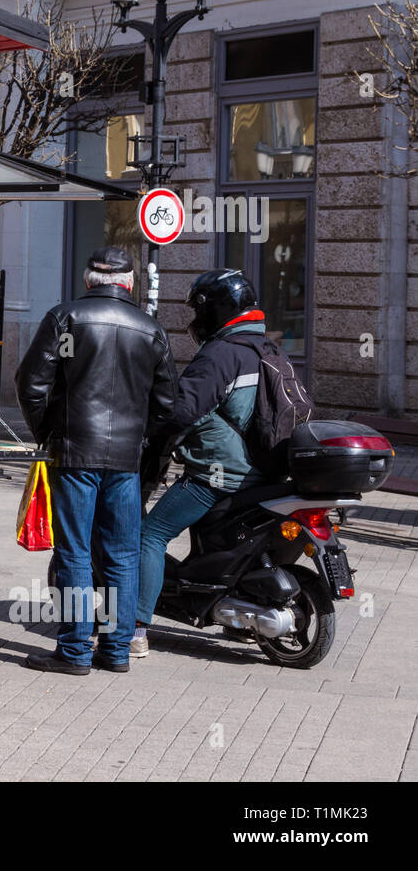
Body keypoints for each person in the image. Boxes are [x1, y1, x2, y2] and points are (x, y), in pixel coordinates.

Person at [15, 247, 176, 673]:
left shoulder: (65, 318)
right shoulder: (150, 328)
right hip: (125, 457)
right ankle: (117, 651)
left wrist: (48, 432)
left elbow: (31, 383)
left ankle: (73, 652)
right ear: (128, 284)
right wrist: (142, 440)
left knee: (75, 553)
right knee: (122, 555)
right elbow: (166, 404)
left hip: (74, 451)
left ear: (89, 281)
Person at [132, 269, 271, 658]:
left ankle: (136, 629)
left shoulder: (221, 353)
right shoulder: (267, 349)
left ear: (217, 310)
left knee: (150, 535)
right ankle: (240, 623)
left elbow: (180, 412)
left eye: (199, 309)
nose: (195, 319)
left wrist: (146, 424)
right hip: (264, 473)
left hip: (217, 472)